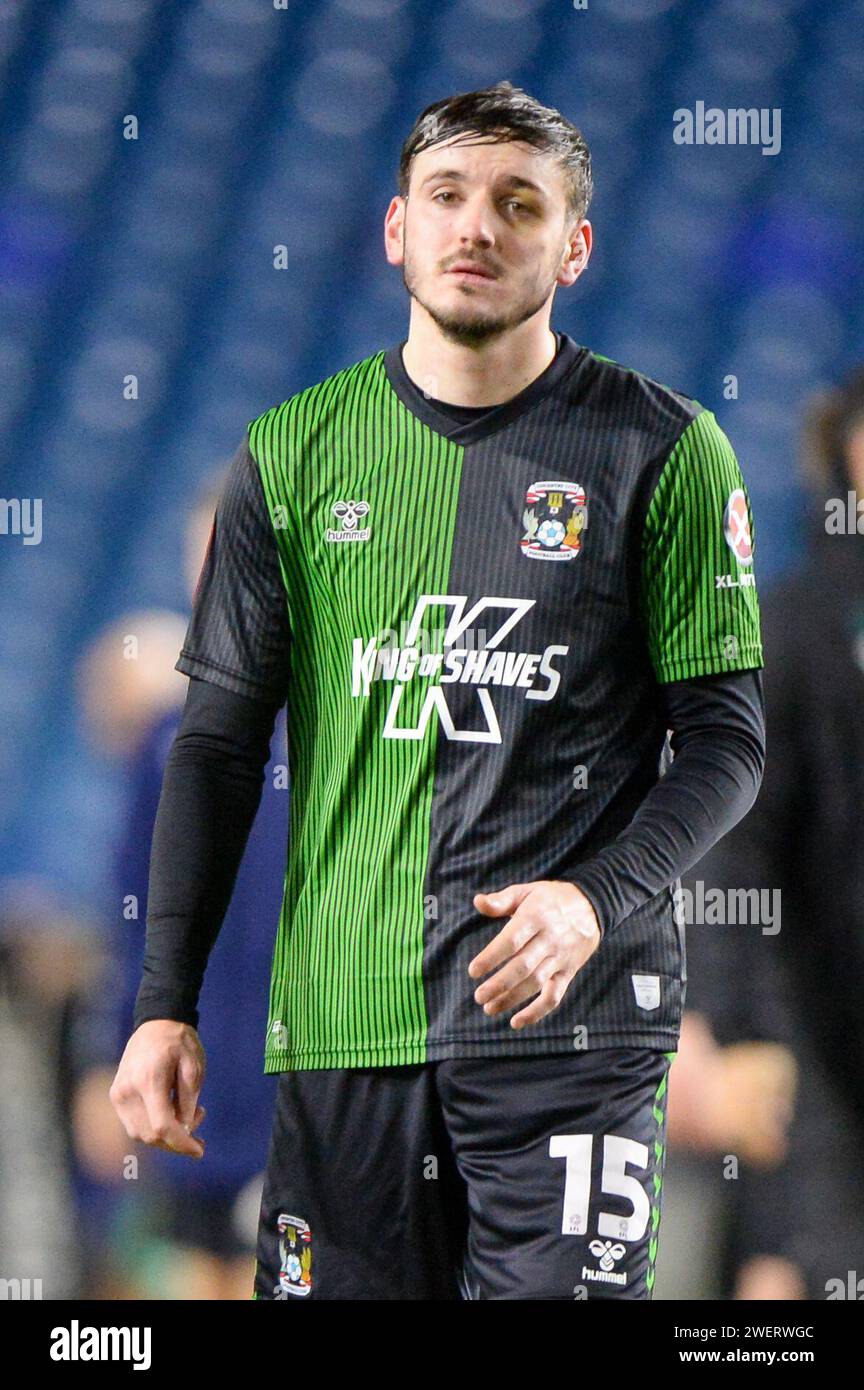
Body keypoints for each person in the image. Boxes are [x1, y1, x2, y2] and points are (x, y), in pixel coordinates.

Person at [110, 81, 766, 1301]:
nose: (479, 226)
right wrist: (165, 1005)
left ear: (572, 247)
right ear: (395, 228)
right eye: (449, 196)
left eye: (520, 204)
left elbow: (728, 742)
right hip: (346, 1030)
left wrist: (592, 899)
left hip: (572, 1029)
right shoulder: (293, 456)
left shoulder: (664, 452)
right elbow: (212, 745)